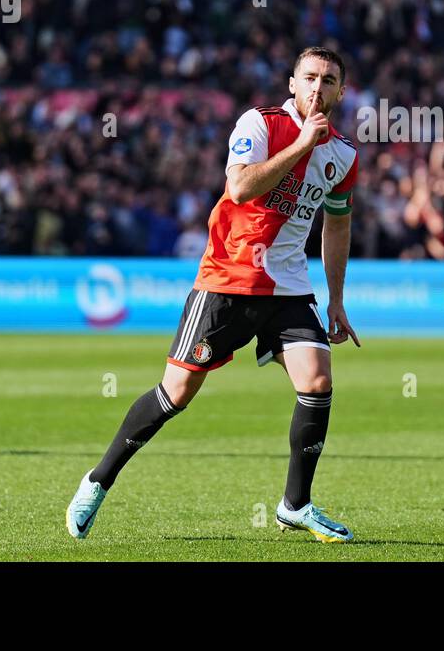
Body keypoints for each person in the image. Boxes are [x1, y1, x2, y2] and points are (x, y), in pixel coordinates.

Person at [67, 47, 362, 542]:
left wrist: (335, 299)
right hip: (228, 279)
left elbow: (337, 224)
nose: (317, 88)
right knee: (176, 394)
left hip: (289, 286)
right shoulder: (260, 125)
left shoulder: (344, 155)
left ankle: (296, 504)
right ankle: (98, 480)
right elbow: (241, 188)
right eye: (309, 77)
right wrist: (301, 146)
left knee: (317, 383)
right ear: (291, 83)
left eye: (328, 80)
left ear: (341, 92)